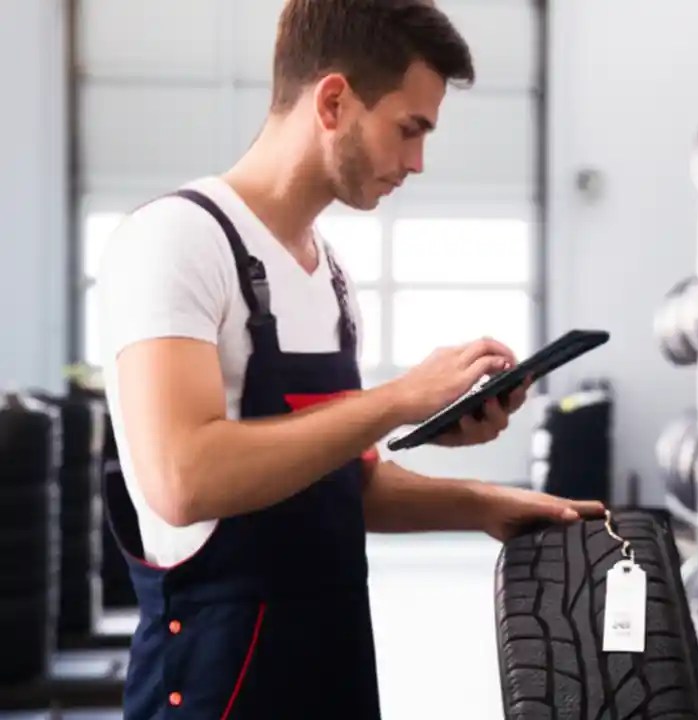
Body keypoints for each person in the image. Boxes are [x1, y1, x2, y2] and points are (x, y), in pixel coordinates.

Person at [95, 1, 604, 717]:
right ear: (333, 101)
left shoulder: (329, 278)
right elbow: (184, 478)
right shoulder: (177, 241)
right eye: (409, 128)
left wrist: (489, 505)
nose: (418, 162)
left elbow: (341, 487)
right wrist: (399, 399)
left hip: (332, 671)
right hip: (216, 686)